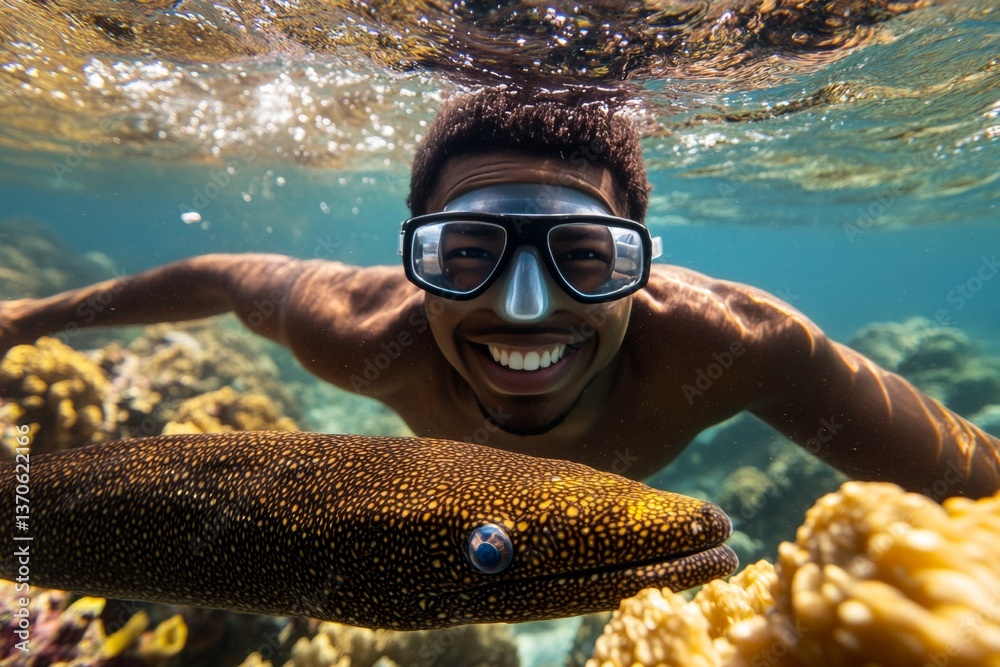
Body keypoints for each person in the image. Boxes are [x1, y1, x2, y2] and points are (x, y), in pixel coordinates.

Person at [1, 87, 998, 500]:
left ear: (644, 264)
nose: (523, 307)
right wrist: (25, 318)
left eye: (587, 256)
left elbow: (976, 488)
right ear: (411, 265)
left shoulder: (734, 343)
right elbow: (217, 278)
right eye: (466, 251)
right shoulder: (356, 328)